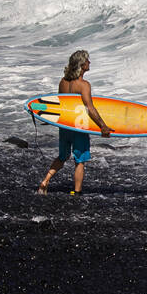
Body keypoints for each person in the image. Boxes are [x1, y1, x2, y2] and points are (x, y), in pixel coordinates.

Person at [36, 50, 111, 195]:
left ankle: (45, 180)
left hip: (65, 125)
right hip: (79, 126)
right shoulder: (84, 85)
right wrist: (103, 126)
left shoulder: (63, 82)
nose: (90, 63)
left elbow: (60, 106)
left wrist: (50, 120)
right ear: (82, 65)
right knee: (80, 160)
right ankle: (77, 193)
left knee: (63, 156)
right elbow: (89, 108)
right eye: (87, 60)